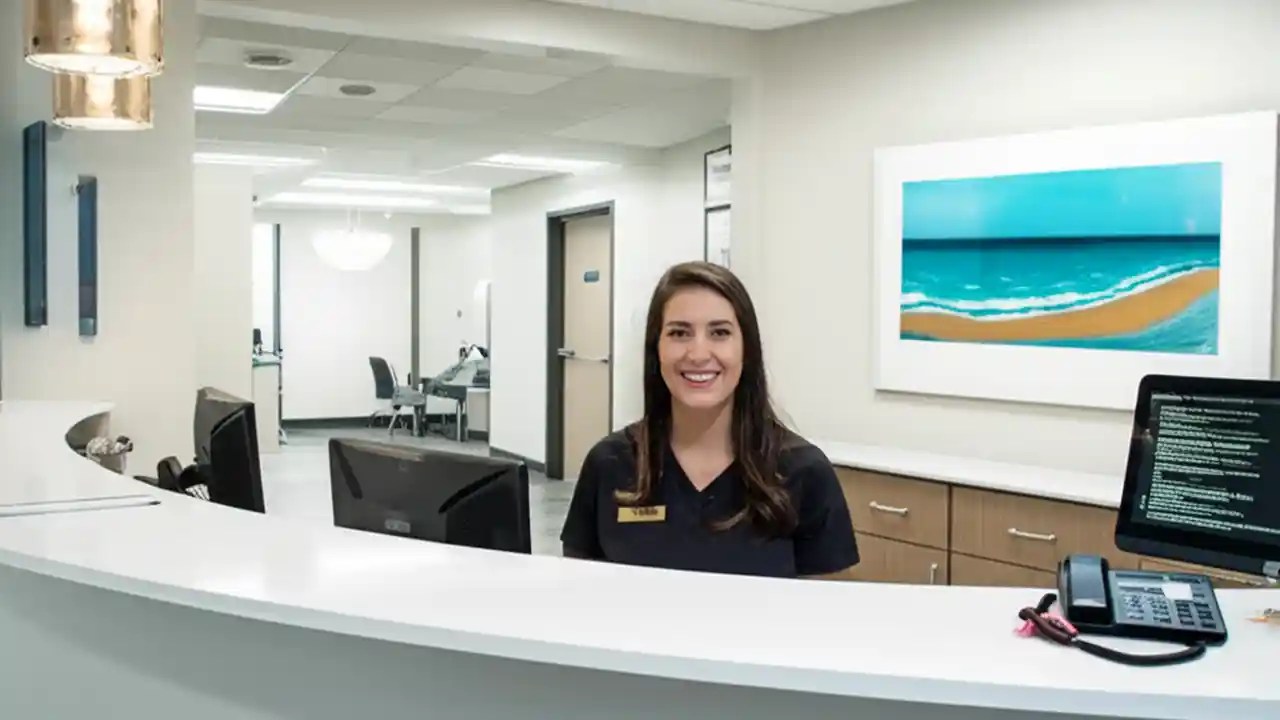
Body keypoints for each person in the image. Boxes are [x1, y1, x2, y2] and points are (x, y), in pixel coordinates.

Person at [560, 261, 860, 578]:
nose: (699, 353)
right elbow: (580, 599)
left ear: (747, 349)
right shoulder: (609, 463)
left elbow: (830, 615)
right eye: (679, 333)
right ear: (656, 349)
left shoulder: (803, 471)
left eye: (719, 333)